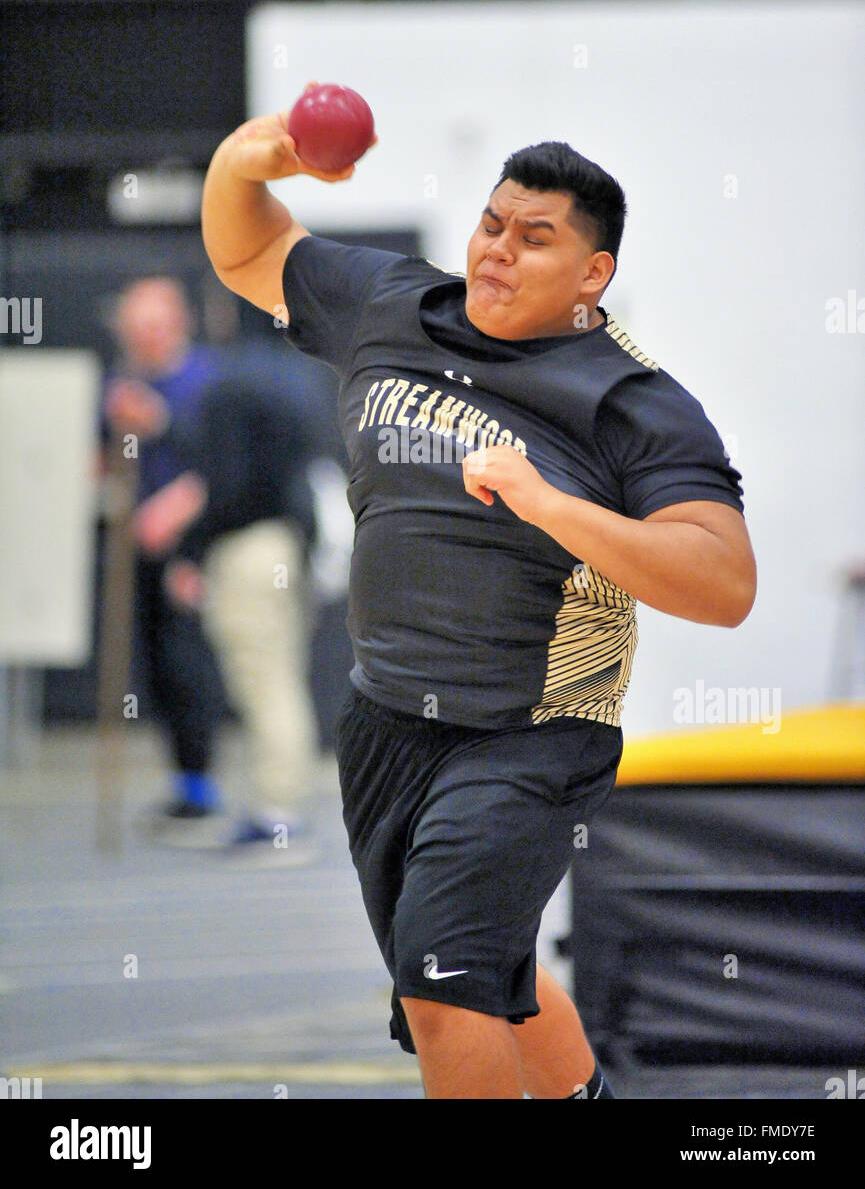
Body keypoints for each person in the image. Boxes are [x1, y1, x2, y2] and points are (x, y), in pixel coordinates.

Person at [200, 107, 757, 1100]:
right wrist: (245, 162)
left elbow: (721, 584)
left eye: (535, 237)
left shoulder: (628, 400)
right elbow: (250, 248)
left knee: (445, 989)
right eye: (493, 223)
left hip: (530, 732)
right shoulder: (387, 302)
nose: (499, 249)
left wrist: (552, 505)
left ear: (592, 275)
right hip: (383, 721)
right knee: (475, 974)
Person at [134, 336, 333, 855]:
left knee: (264, 682)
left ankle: (278, 818)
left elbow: (227, 488)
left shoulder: (230, 392)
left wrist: (191, 553)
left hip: (248, 554)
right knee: (278, 677)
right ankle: (279, 810)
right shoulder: (296, 383)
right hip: (286, 547)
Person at [104, 276, 228, 841]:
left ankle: (203, 787)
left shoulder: (204, 382)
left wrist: (174, 513)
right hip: (139, 551)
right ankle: (184, 784)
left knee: (187, 665)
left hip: (192, 547)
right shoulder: (124, 383)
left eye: (150, 328)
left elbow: (220, 467)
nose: (142, 340)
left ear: (177, 324)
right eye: (133, 331)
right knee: (154, 664)